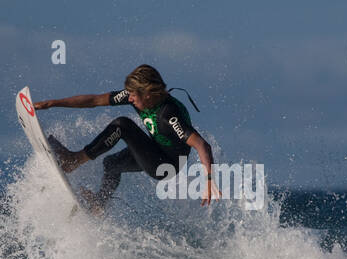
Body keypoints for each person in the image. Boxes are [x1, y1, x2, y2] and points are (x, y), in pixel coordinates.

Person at [33, 64, 219, 212]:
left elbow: (202, 145)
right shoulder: (138, 97)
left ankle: (75, 160)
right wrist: (53, 103)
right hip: (155, 150)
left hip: (166, 165)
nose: (129, 99)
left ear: (147, 94)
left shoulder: (168, 114)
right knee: (111, 164)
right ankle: (99, 205)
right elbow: (95, 100)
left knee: (123, 125)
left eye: (133, 95)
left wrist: (209, 180)